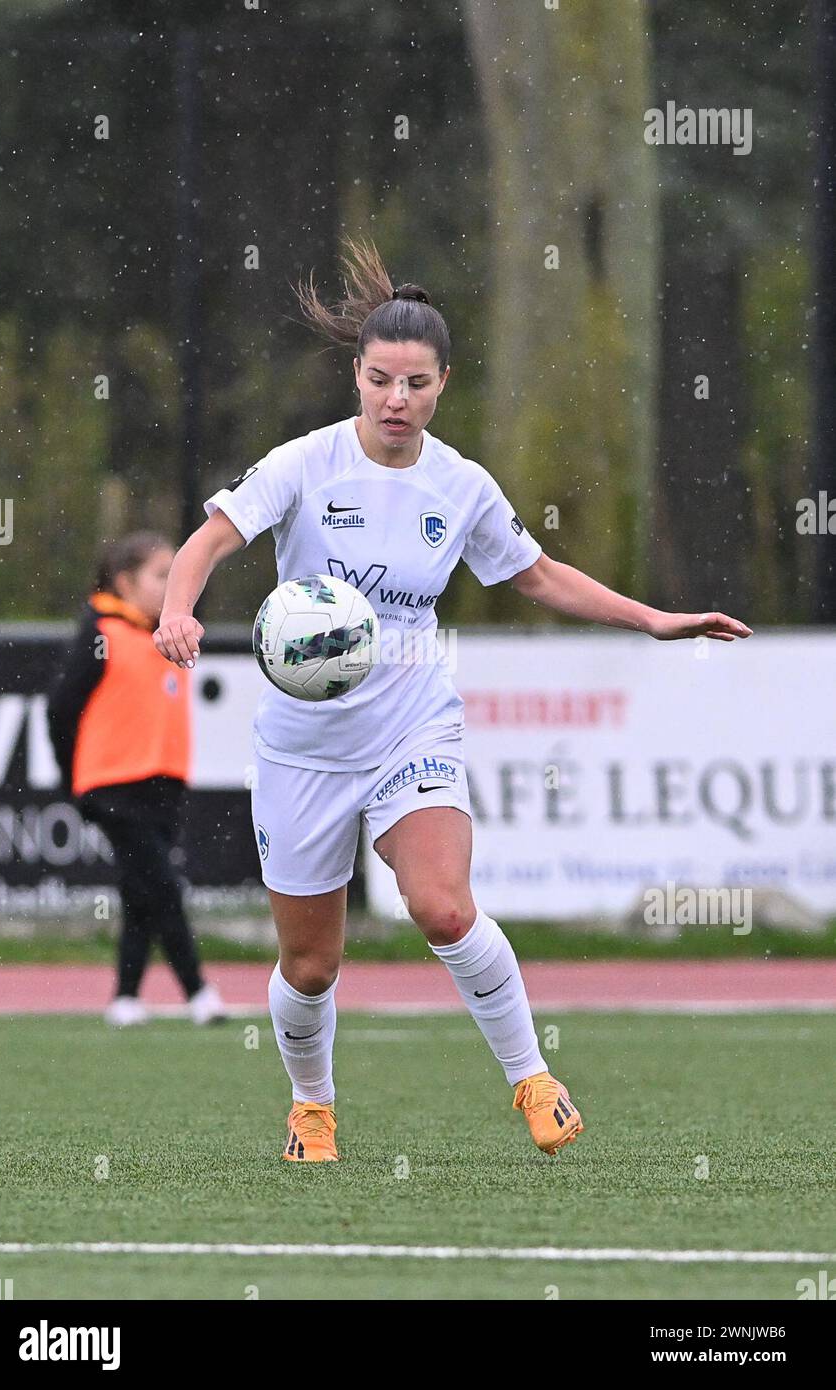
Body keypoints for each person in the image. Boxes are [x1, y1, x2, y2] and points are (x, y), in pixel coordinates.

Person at [153, 236, 751, 1161]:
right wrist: (178, 612)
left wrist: (652, 620)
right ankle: (313, 1107)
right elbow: (207, 542)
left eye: (418, 384)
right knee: (311, 966)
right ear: (357, 374)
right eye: (383, 380)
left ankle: (532, 1079)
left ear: (443, 384)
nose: (398, 400)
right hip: (302, 744)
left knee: (441, 907)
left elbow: (538, 574)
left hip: (410, 726)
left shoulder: (459, 485)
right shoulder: (304, 464)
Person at [47, 532, 227, 1028]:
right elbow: (61, 709)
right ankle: (199, 992)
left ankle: (125, 996)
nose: (172, 585)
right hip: (114, 788)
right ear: (125, 582)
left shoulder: (165, 634)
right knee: (165, 887)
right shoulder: (102, 631)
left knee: (141, 890)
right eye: (160, 576)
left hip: (162, 786)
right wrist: (75, 782)